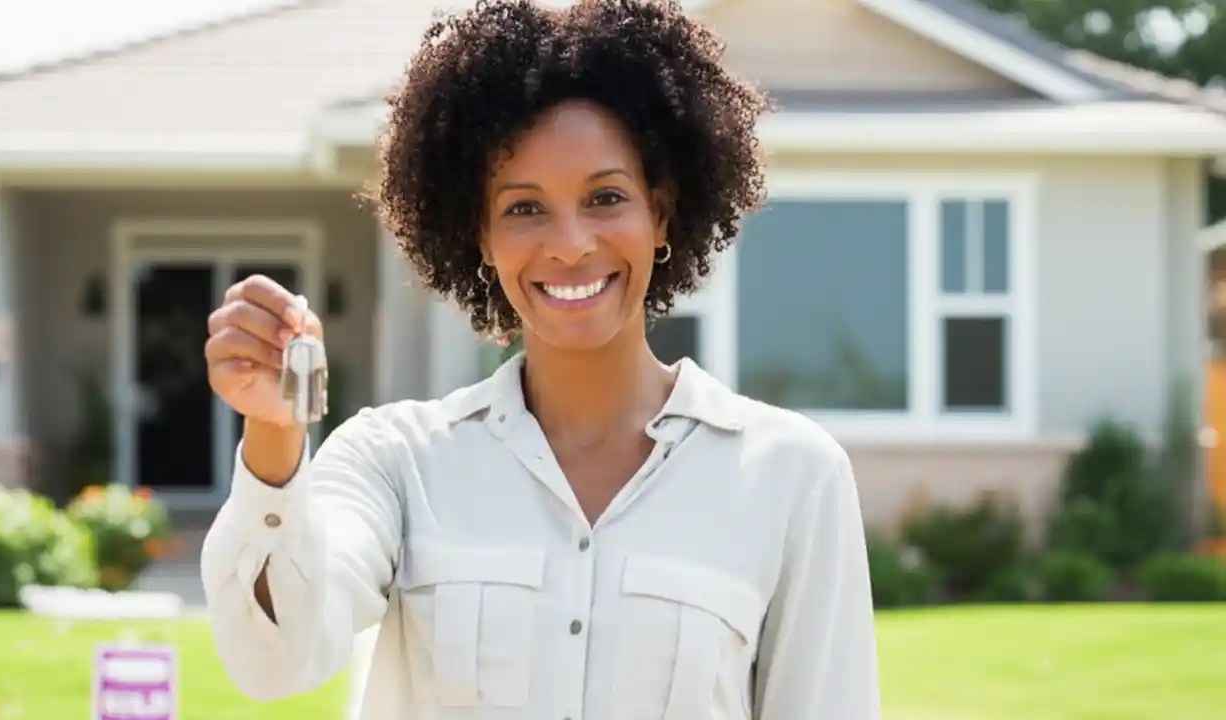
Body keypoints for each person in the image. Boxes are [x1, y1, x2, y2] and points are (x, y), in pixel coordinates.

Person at [199, 0, 881, 717]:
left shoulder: (793, 477)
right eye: (525, 208)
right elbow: (273, 659)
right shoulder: (395, 463)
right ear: (482, 239)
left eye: (606, 197)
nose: (570, 243)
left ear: (663, 215)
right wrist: (274, 433)